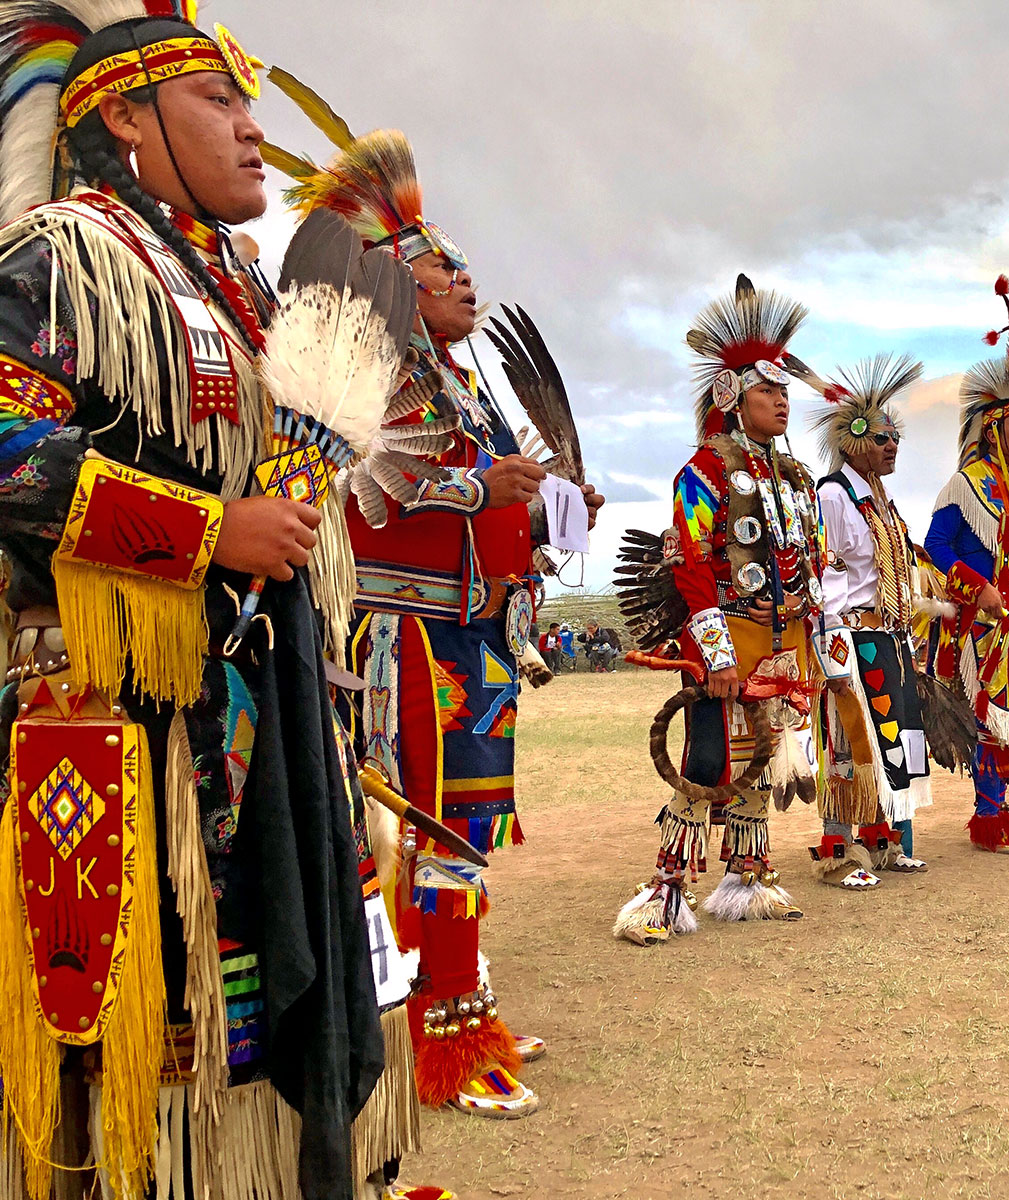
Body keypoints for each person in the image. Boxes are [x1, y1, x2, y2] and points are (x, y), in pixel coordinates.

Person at [0, 9, 388, 1197]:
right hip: (124, 720)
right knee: (143, 1034)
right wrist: (208, 530)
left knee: (262, 1015)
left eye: (248, 104)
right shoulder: (64, 253)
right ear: (122, 115)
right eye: (220, 101)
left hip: (258, 704)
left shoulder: (235, 287)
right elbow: (9, 450)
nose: (254, 130)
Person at [292, 127, 600, 1120]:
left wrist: (549, 509)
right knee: (432, 831)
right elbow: (361, 489)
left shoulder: (469, 389)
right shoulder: (373, 379)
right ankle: (443, 1038)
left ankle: (458, 1006)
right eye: (443, 270)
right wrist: (481, 485)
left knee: (458, 830)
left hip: (476, 636)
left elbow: (486, 501)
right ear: (398, 286)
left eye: (468, 270)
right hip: (406, 646)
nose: (467, 282)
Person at [612, 274, 844, 943]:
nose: (783, 400)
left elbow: (814, 562)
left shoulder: (795, 477)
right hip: (724, 636)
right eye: (768, 390)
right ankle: (664, 892)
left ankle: (747, 878)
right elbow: (689, 562)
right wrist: (712, 653)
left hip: (781, 638)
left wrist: (816, 638)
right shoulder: (703, 472)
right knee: (710, 757)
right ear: (732, 398)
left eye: (784, 390)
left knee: (762, 755)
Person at [923, 276, 1009, 853]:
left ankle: (999, 811)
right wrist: (975, 586)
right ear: (993, 428)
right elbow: (937, 546)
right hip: (981, 625)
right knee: (989, 718)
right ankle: (988, 818)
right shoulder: (967, 485)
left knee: (1008, 719)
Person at [805, 354, 934, 886]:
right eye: (881, 438)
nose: (891, 446)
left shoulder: (879, 498)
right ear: (853, 441)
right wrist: (829, 645)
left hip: (888, 635)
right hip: (849, 636)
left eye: (895, 438)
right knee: (848, 738)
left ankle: (882, 842)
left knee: (892, 738)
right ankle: (838, 848)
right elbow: (823, 571)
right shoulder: (834, 495)